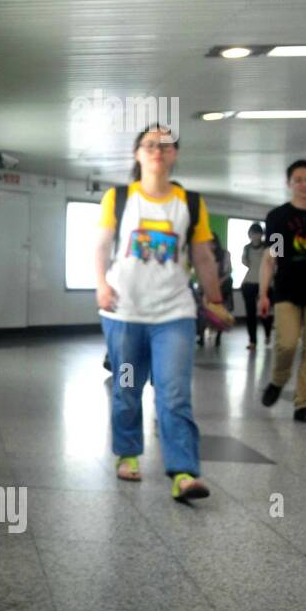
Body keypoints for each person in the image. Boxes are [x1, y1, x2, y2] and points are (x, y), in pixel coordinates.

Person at [94, 125, 228, 501]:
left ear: (175, 155)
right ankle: (128, 453)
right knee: (126, 387)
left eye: (166, 145)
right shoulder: (118, 198)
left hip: (175, 315)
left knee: (174, 394)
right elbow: (101, 246)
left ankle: (183, 472)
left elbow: (202, 255)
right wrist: (101, 284)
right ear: (138, 154)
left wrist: (214, 298)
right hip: (124, 315)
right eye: (150, 144)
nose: (158, 150)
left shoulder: (190, 202)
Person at [258, 160, 306, 425]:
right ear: (289, 184)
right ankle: (278, 380)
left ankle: (304, 405)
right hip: (287, 290)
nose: (304, 184)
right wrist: (263, 294)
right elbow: (270, 257)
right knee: (286, 344)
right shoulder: (278, 217)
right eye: (298, 180)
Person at [240, 222, 273, 349]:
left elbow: (271, 264)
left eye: (257, 233)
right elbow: (245, 262)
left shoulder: (267, 247)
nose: (255, 236)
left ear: (261, 234)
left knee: (264, 313)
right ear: (249, 235)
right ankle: (252, 341)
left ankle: (268, 333)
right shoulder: (246, 248)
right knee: (250, 314)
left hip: (264, 284)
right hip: (249, 283)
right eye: (252, 233)